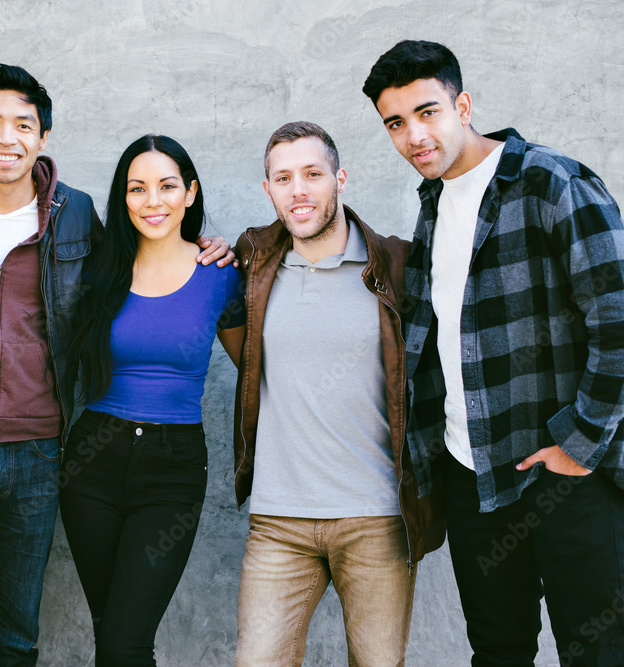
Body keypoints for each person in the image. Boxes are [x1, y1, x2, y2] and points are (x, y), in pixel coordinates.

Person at [0, 64, 233, 666]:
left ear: (44, 137)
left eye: (24, 124)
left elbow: (247, 348)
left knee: (24, 637)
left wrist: (225, 247)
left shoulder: (74, 216)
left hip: (45, 452)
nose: (8, 137)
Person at [364, 39, 624, 665]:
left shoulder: (550, 182)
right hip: (473, 476)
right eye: (395, 123)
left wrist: (581, 444)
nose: (414, 136)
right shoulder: (432, 208)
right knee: (498, 652)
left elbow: (618, 318)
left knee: (598, 653)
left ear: (464, 104)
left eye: (428, 112)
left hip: (561, 476)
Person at [230, 121, 444, 667]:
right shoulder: (251, 265)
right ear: (268, 190)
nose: (298, 190)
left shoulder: (395, 265)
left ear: (339, 179)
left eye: (312, 174)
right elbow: (247, 359)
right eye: (283, 177)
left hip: (376, 519)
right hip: (279, 521)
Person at [60, 134, 245, 666]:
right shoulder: (96, 272)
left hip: (172, 470)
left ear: (190, 193)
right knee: (110, 638)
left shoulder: (220, 274)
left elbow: (255, 371)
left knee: (125, 644)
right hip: (92, 462)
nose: (152, 201)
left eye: (167, 186)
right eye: (137, 189)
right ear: (123, 199)